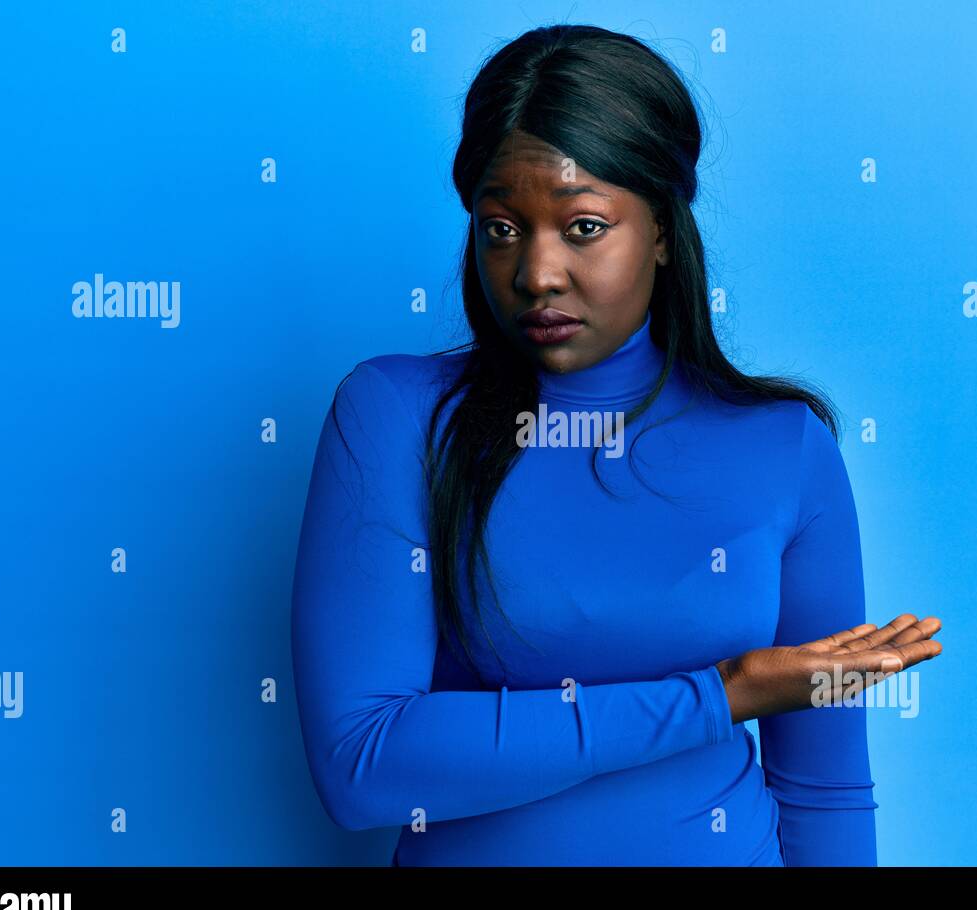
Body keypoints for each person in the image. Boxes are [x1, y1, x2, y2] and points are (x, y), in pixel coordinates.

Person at [290, 23, 943, 866]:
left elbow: (826, 791)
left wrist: (732, 698)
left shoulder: (788, 449)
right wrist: (719, 697)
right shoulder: (395, 417)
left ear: (663, 232)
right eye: (501, 228)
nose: (536, 272)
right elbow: (363, 766)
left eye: (585, 226)